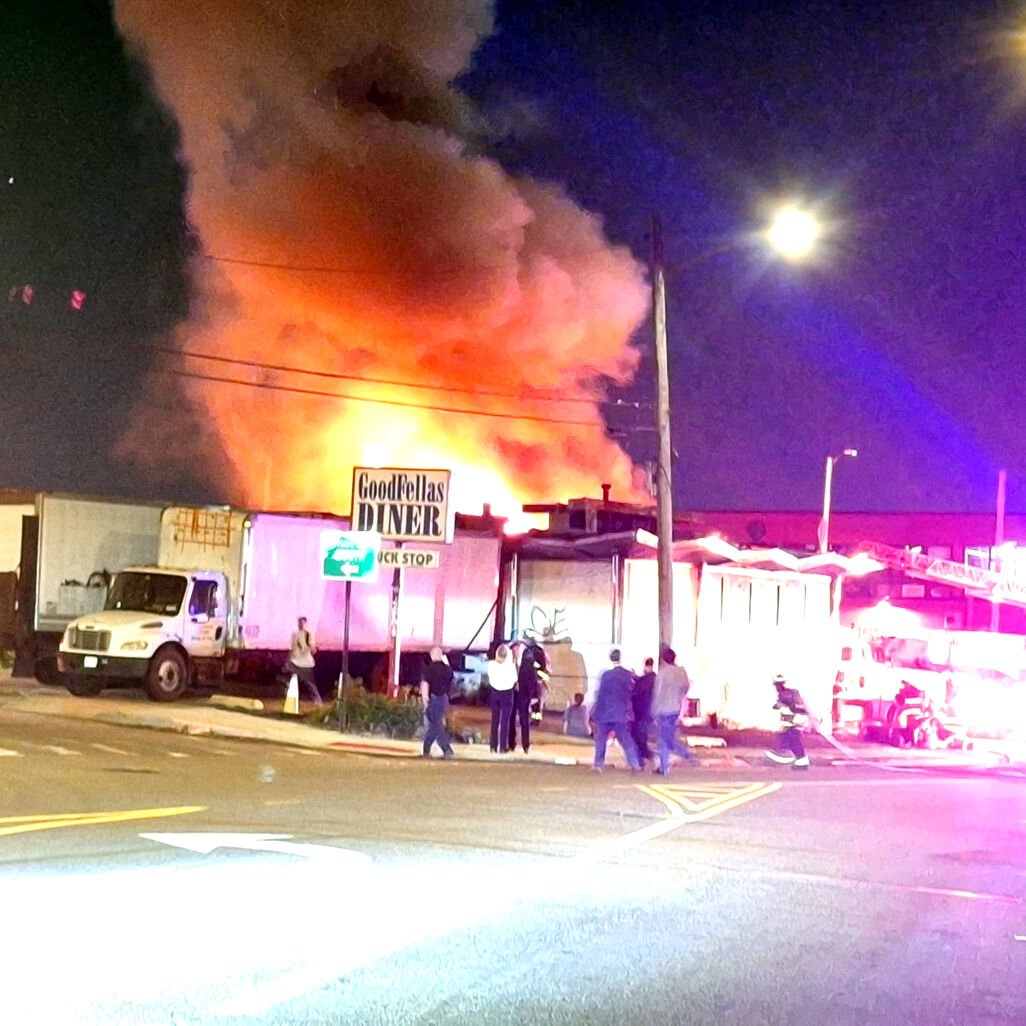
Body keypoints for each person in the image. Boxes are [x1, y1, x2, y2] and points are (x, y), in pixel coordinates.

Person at [591, 648, 641, 773]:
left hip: (605, 713)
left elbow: (600, 694)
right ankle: (634, 763)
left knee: (601, 740)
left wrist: (595, 711)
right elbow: (632, 691)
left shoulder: (605, 675)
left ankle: (598, 764)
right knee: (626, 740)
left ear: (610, 658)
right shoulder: (627, 675)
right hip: (621, 713)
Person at [650, 647, 698, 775]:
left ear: (663, 659)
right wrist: (679, 696)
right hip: (675, 708)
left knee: (664, 738)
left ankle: (669, 764)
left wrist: (653, 710)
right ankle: (670, 763)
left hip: (662, 709)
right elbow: (686, 687)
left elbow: (657, 692)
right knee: (667, 736)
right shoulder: (681, 672)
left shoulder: (662, 673)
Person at [766, 673, 811, 769]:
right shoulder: (786, 694)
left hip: (795, 719)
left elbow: (794, 707)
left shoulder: (786, 694)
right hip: (793, 720)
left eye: (778, 684)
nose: (777, 687)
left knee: (790, 737)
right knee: (792, 739)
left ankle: (786, 754)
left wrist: (783, 706)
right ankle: (800, 761)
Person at [510, 640, 547, 754]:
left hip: (524, 694)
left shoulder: (528, 661)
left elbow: (532, 679)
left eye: (517, 649)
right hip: (511, 693)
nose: (515, 651)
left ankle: (525, 744)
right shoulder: (510, 661)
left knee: (524, 719)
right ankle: (511, 743)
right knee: (510, 719)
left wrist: (534, 695)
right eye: (513, 650)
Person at [420, 646, 455, 760]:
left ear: (432, 656)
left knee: (434, 726)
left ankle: (443, 749)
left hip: (433, 699)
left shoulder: (428, 669)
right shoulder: (448, 669)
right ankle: (431, 750)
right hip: (444, 699)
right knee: (436, 725)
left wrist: (425, 700)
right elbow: (452, 683)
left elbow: (425, 685)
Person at [486, 642, 517, 753]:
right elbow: (514, 679)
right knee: (505, 721)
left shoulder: (491, 664)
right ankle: (503, 746)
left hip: (495, 693)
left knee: (494, 720)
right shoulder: (510, 667)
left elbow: (489, 676)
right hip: (507, 694)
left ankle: (493, 745)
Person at [286, 616, 322, 705]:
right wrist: (289, 659)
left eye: (302, 622)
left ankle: (317, 699)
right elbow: (292, 647)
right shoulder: (295, 633)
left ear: (305, 623)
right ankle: (291, 697)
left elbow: (312, 646)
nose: (300, 624)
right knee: (292, 679)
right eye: (299, 622)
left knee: (310, 682)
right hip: (295, 660)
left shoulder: (308, 634)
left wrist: (313, 650)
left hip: (306, 662)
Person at [631, 657, 656, 766]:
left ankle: (646, 757)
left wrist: (635, 678)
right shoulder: (653, 678)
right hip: (645, 711)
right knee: (640, 736)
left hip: (642, 712)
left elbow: (638, 691)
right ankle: (644, 758)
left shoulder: (648, 679)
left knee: (639, 736)